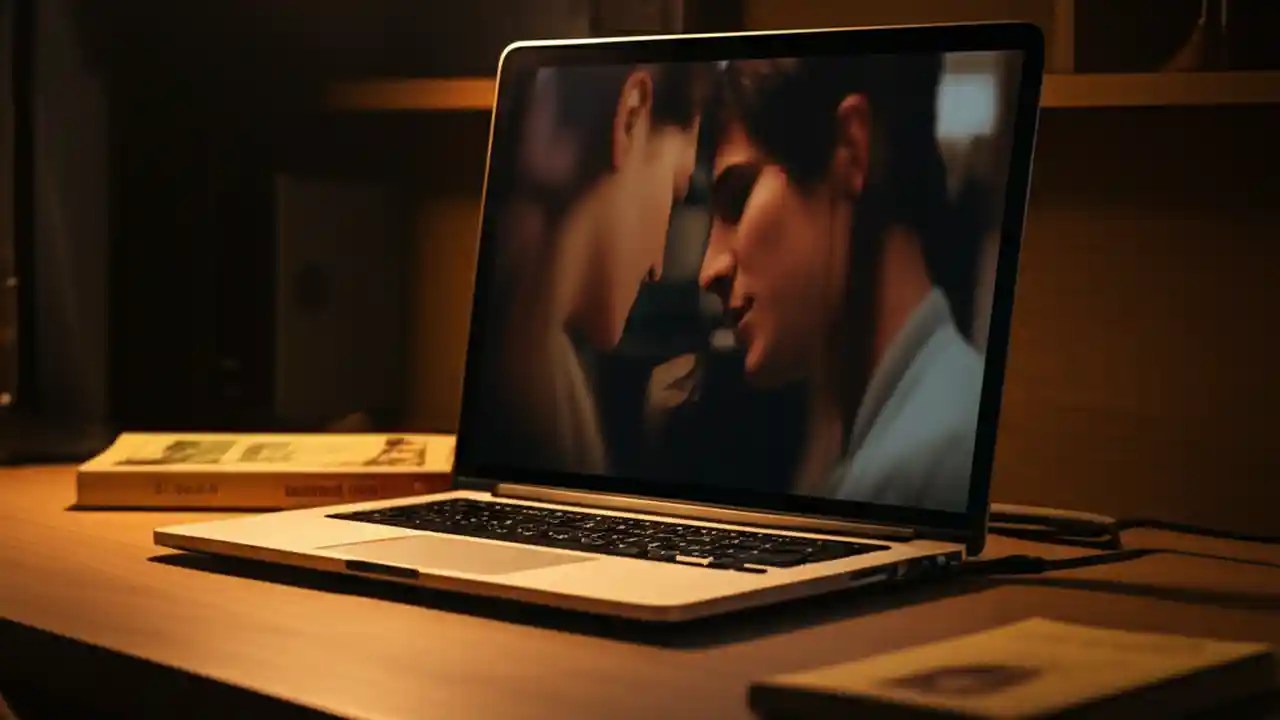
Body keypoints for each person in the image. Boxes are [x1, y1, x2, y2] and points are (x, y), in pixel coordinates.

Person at [697, 56, 983, 511]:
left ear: (850, 150)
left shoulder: (931, 462)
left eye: (737, 199)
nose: (709, 268)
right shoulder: (883, 435)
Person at [474, 63, 709, 476]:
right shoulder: (533, 392)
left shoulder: (547, 359)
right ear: (632, 118)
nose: (656, 266)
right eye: (673, 190)